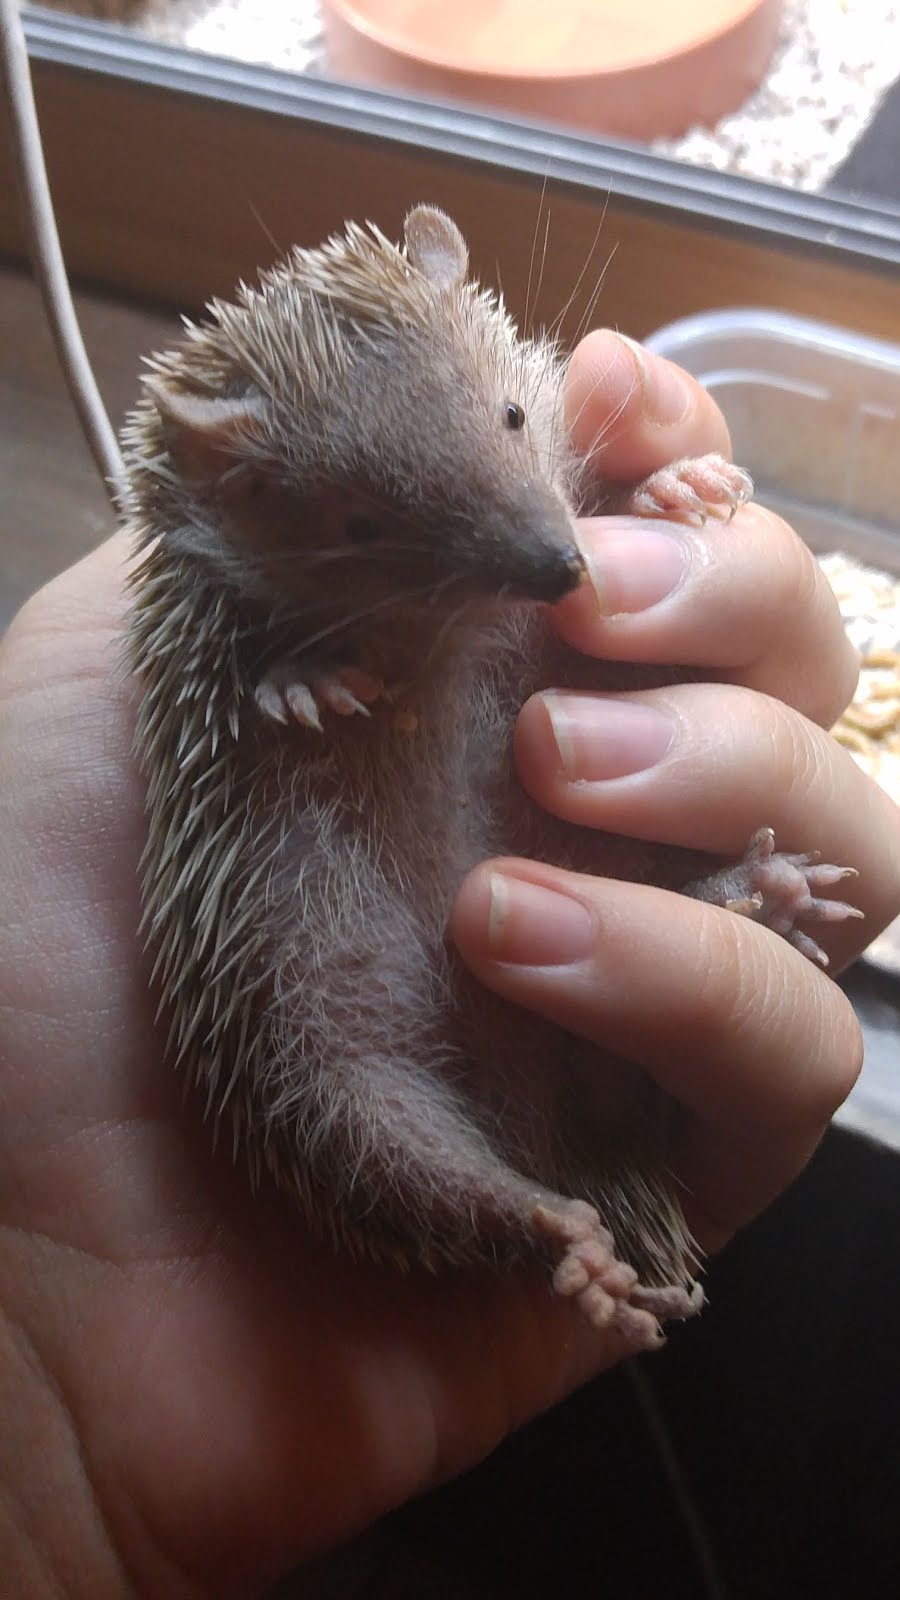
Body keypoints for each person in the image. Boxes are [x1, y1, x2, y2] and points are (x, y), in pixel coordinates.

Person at [0, 330, 895, 1600]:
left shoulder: (510, 463)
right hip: (367, 999)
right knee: (333, 1079)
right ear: (235, 489)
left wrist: (649, 501)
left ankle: (711, 921)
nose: (542, 550)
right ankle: (530, 1204)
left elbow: (552, 537)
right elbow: (220, 673)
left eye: (514, 433)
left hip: (542, 991)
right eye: (375, 524)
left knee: (589, 794)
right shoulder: (244, 600)